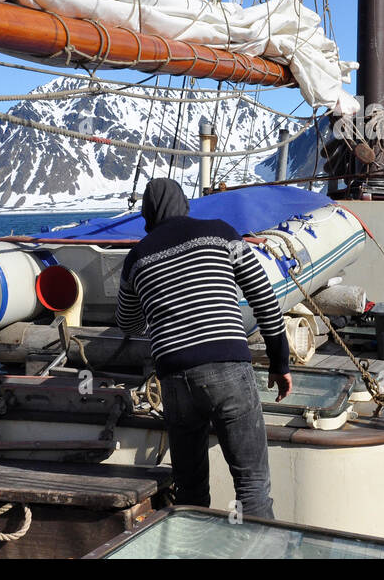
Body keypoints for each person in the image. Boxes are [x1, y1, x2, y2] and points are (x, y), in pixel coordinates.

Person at [117, 179, 292, 518]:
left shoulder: (137, 257)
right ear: (184, 204)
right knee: (252, 485)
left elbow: (128, 324)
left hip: (174, 379)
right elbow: (265, 301)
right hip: (228, 368)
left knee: (191, 490)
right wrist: (279, 362)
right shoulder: (221, 233)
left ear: (147, 214)